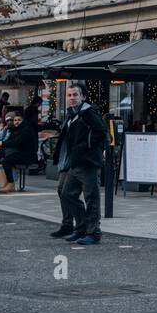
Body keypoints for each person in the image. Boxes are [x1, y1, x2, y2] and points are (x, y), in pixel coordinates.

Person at [53, 83, 108, 245]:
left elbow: (101, 132)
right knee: (67, 194)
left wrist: (86, 147)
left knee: (91, 198)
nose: (72, 98)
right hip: (75, 163)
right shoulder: (72, 114)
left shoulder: (89, 113)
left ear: (83, 96)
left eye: (75, 95)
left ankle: (93, 232)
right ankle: (82, 227)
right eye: (69, 95)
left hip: (88, 162)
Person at [0, 108, 37, 193]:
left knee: (6, 161)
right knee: (0, 155)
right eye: (15, 120)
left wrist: (2, 143)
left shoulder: (25, 130)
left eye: (19, 120)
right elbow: (9, 140)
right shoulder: (16, 129)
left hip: (26, 155)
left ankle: (11, 183)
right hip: (19, 152)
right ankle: (0, 181)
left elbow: (16, 142)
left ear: (22, 120)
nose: (16, 122)